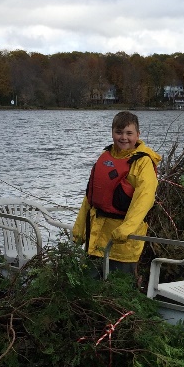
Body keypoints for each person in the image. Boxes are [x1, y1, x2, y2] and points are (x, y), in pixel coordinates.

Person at [72, 111, 161, 278]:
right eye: (119, 132)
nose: (124, 137)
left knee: (118, 288)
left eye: (129, 133)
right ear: (112, 132)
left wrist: (126, 229)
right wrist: (79, 227)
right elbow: (89, 197)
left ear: (138, 134)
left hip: (123, 243)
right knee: (89, 285)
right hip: (96, 237)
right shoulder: (104, 157)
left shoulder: (143, 162)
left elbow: (144, 199)